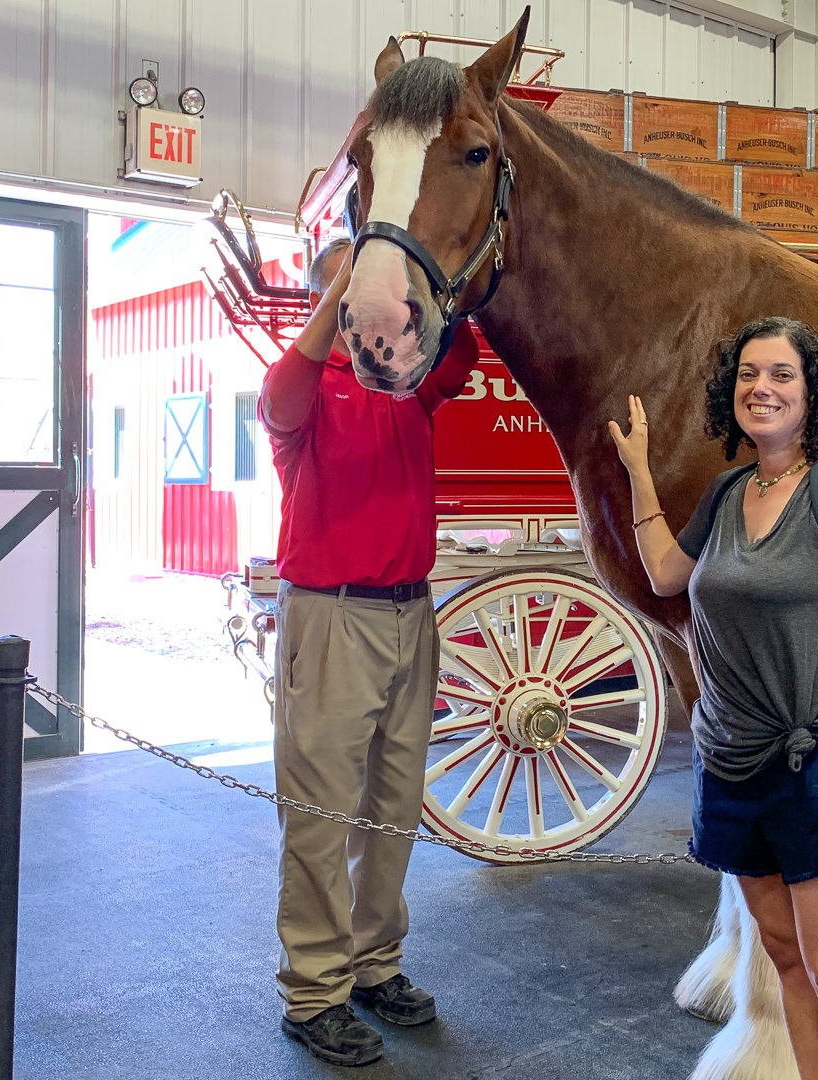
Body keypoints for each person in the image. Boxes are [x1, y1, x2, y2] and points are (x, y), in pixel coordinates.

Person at [609, 316, 818, 1079]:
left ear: (812, 393)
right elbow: (669, 573)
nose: (760, 388)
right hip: (728, 762)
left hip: (815, 764)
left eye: (780, 375)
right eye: (747, 374)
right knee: (784, 960)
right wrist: (639, 473)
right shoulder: (731, 491)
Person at [259, 237, 483, 1068]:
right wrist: (341, 295)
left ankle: (372, 965)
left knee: (390, 810)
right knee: (318, 815)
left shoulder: (407, 389)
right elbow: (279, 395)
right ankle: (314, 994)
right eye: (352, 294)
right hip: (332, 615)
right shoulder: (306, 391)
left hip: (407, 613)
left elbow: (460, 339)